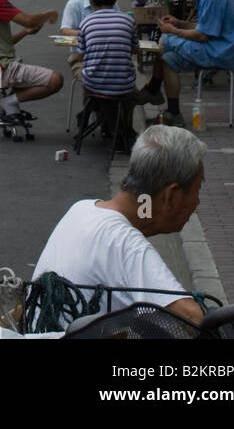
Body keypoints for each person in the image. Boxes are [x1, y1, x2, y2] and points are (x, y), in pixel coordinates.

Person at [32, 127, 207, 328]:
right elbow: (194, 320)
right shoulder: (126, 244)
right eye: (197, 190)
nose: (197, 201)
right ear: (171, 196)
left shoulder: (81, 210)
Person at [142, 0, 234, 126]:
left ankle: (153, 87)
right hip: (212, 46)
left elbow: (203, 36)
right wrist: (179, 23)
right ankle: (173, 113)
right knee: (169, 59)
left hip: (220, 51)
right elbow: (205, 27)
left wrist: (173, 31)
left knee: (165, 40)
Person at [76, 0, 156, 133]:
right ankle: (118, 126)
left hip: (93, 83)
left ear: (91, 1)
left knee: (78, 65)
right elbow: (134, 49)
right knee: (124, 90)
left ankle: (94, 113)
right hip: (123, 84)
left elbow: (82, 55)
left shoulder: (85, 23)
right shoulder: (128, 21)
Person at [60, 0, 119, 79]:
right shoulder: (74, 3)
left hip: (110, 53)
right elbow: (65, 30)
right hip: (83, 55)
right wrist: (93, 34)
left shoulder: (111, 1)